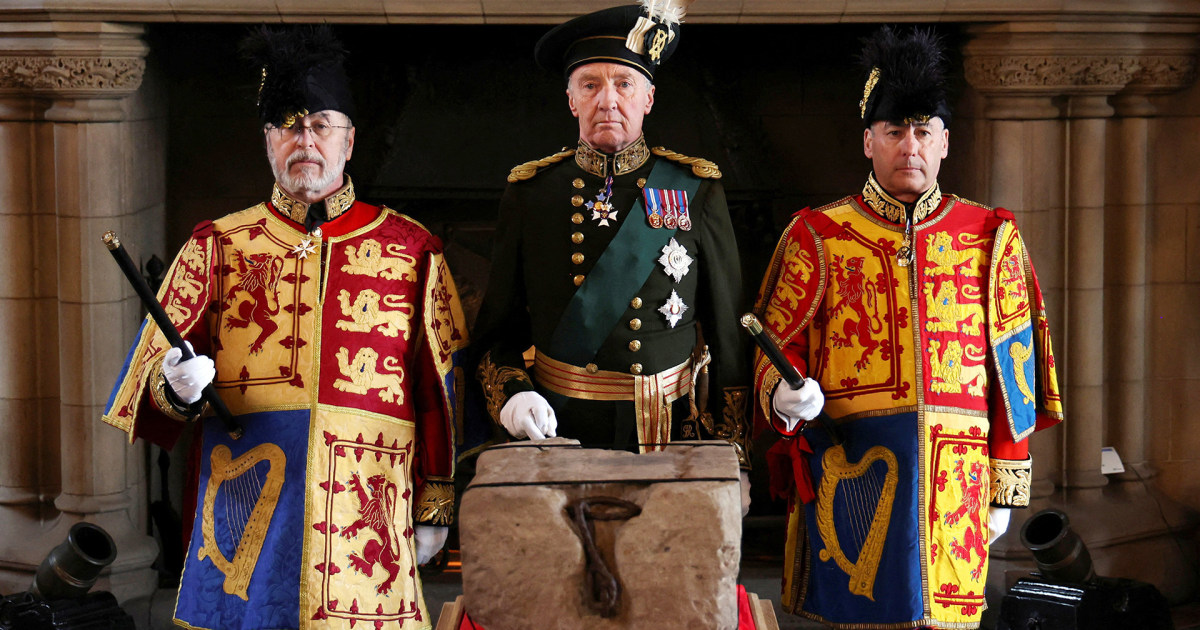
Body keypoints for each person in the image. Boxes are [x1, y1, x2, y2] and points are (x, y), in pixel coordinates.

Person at [101, 26, 467, 630]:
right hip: (248, 501)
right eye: (288, 127)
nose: (306, 142)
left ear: (349, 141)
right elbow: (147, 395)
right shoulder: (216, 244)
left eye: (322, 124)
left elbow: (442, 388)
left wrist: (437, 501)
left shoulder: (413, 247)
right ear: (268, 142)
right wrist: (178, 387)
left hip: (368, 508)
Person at [751, 27, 1064, 629]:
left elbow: (1014, 373)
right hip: (851, 470)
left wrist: (1005, 478)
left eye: (923, 131)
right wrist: (779, 390)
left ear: (945, 142)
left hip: (959, 481)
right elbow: (773, 341)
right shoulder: (818, 234)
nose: (910, 146)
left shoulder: (990, 235)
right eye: (895, 132)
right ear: (868, 141)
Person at [471, 2, 752, 472]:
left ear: (648, 98)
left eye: (624, 84)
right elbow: (497, 331)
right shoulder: (532, 193)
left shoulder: (697, 188)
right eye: (590, 85)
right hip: (562, 429)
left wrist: (734, 453)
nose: (608, 100)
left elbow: (728, 331)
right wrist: (515, 395)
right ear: (571, 99)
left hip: (673, 432)